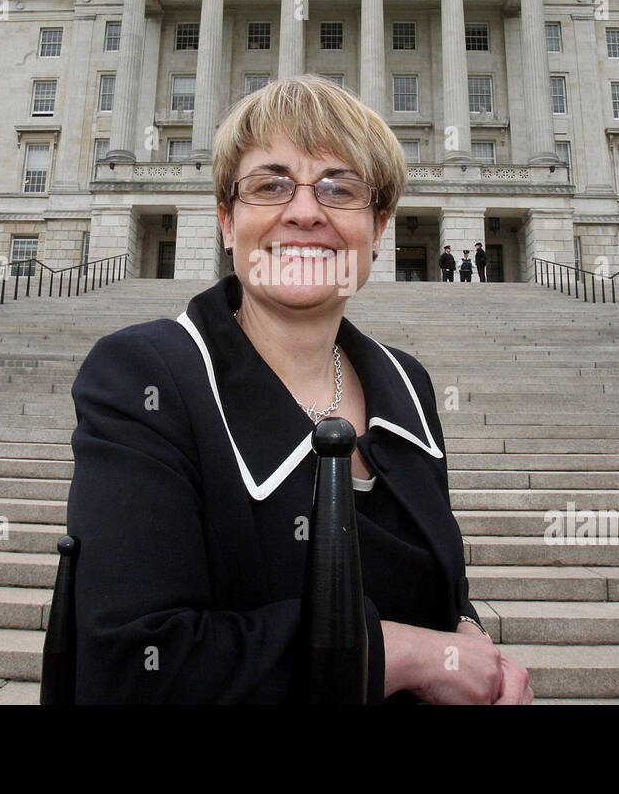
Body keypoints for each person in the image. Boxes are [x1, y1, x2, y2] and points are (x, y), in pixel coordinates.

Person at [67, 75, 532, 705]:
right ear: (228, 223)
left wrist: (474, 645)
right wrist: (412, 656)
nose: (306, 211)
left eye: (340, 188)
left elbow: (437, 585)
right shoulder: (146, 374)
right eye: (270, 185)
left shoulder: (406, 384)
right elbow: (133, 665)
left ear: (379, 226)